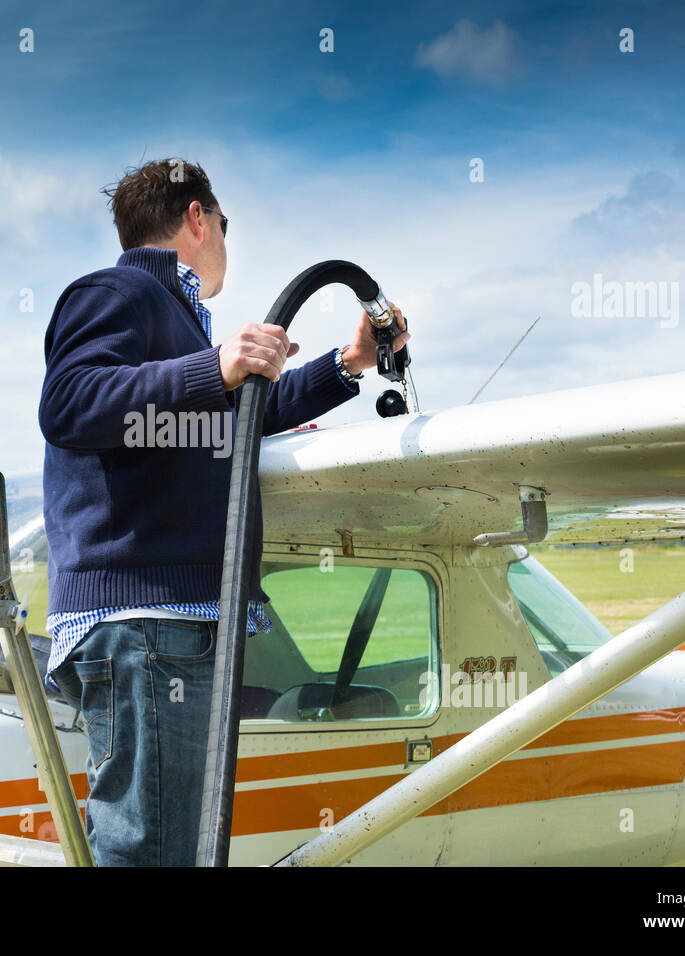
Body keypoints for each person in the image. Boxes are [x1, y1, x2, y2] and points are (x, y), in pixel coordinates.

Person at [37, 158, 407, 866]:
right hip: (146, 620)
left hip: (168, 623)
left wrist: (347, 363)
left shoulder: (175, 326)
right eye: (224, 225)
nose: (226, 242)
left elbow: (234, 422)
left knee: (175, 848)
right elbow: (70, 403)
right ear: (199, 219)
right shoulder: (117, 290)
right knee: (156, 853)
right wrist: (216, 365)